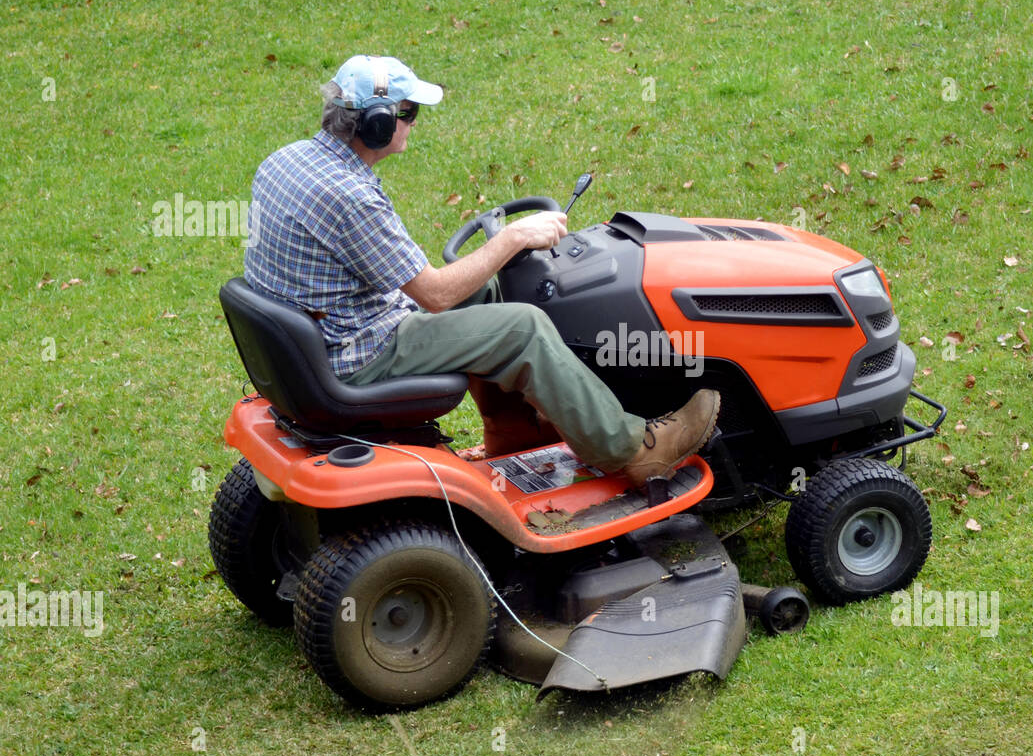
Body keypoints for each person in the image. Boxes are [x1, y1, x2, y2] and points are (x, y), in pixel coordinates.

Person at [243, 54, 718, 487]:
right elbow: (435, 295)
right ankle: (630, 450)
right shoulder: (351, 197)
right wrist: (514, 237)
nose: (414, 123)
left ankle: (514, 435)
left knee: (491, 294)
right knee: (523, 326)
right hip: (358, 354)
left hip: (325, 334)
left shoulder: (286, 160)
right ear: (377, 124)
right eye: (408, 113)